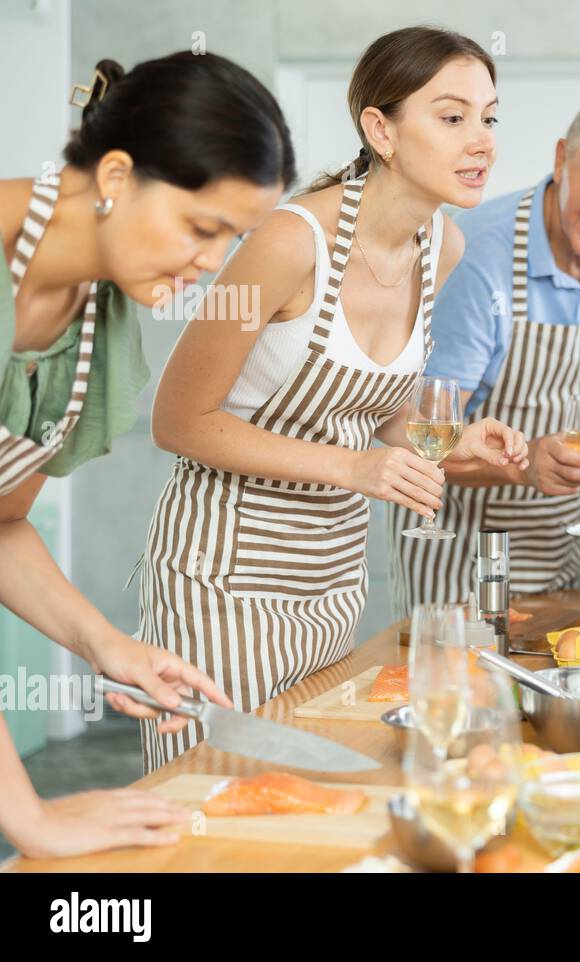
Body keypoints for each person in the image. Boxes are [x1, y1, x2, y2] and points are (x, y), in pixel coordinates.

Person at [135, 27, 527, 772]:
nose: (481, 142)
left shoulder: (441, 246)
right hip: (224, 583)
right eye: (452, 118)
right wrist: (358, 468)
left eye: (489, 117)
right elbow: (178, 421)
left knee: (307, 791)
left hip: (331, 579)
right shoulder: (286, 242)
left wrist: (452, 437)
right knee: (218, 796)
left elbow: (380, 413)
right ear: (380, 129)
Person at [0, 52, 289, 857]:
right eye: (203, 229)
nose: (210, 264)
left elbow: (0, 523)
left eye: (230, 238)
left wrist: (109, 645)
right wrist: (30, 816)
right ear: (117, 176)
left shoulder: (99, 313)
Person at [388, 89, 580, 610]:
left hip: (562, 536)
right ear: (562, 159)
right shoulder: (479, 255)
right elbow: (419, 434)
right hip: (460, 544)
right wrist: (523, 467)